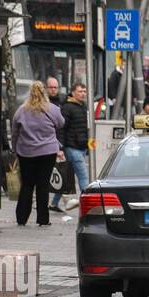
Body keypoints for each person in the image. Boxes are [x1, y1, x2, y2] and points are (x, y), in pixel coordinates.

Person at [11, 81, 64, 227]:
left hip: (26, 152)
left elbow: (15, 132)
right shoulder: (52, 109)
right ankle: (43, 219)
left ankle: (21, 218)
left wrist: (15, 148)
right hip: (47, 152)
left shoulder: (21, 110)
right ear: (44, 92)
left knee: (27, 185)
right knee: (43, 185)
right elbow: (61, 123)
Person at [52, 83, 90, 212]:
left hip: (81, 146)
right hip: (72, 147)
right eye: (80, 91)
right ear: (73, 93)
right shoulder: (67, 107)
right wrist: (60, 148)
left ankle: (54, 203)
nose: (83, 93)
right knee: (83, 176)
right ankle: (87, 203)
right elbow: (61, 129)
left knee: (66, 176)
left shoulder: (84, 106)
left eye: (85, 91)